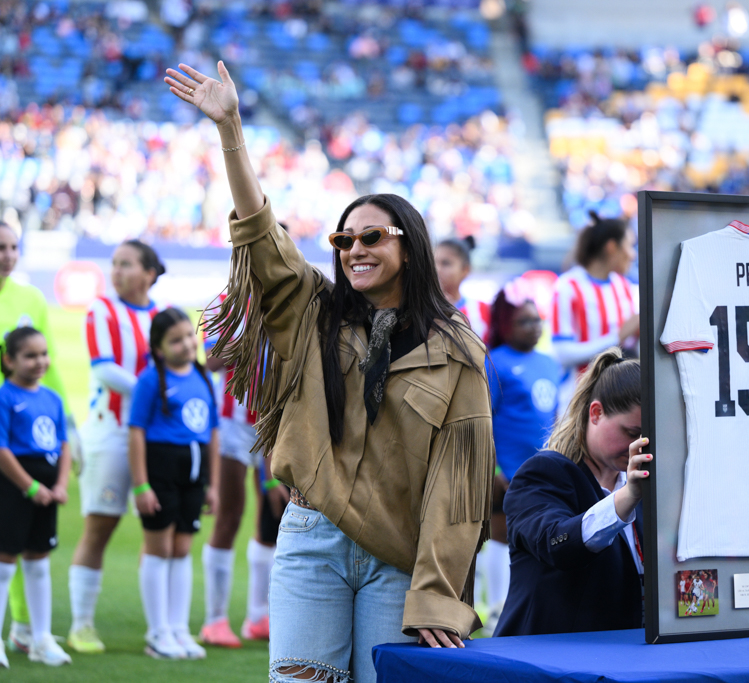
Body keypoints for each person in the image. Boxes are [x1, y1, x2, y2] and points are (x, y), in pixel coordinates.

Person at [167, 60, 494, 682]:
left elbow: (459, 486)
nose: (356, 250)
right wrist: (231, 129)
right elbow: (263, 239)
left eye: (373, 237)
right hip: (311, 540)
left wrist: (437, 591)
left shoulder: (457, 351)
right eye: (344, 242)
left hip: (398, 556)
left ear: (410, 245)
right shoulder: (313, 311)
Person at [495, 348, 647, 637]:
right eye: (631, 432)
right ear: (596, 413)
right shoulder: (542, 472)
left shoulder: (640, 487)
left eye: (647, 435)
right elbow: (556, 543)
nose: (638, 446)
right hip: (543, 664)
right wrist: (626, 499)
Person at [68, 240, 166, 653]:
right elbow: (105, 369)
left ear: (148, 272)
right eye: (114, 264)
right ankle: (81, 624)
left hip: (152, 435)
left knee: (159, 530)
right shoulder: (102, 309)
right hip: (110, 433)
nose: (117, 271)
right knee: (100, 526)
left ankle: (161, 627)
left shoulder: (162, 316)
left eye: (126, 264)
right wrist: (158, 392)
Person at [128, 308, 220, 659]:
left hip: (194, 475)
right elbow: (135, 432)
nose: (185, 345)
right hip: (161, 470)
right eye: (175, 340)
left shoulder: (202, 377)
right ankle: (157, 633)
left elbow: (212, 433)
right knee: (159, 548)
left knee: (182, 549)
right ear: (159, 348)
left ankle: (179, 629)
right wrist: (141, 485)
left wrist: (211, 483)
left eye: (188, 336)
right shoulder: (151, 379)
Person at [0, 222, 72, 654]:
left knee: (25, 543)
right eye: (0, 247)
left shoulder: (30, 297)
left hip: (29, 433)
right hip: (6, 432)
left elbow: (52, 364)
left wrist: (67, 422)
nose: (7, 254)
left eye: (12, 246)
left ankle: (27, 630)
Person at [200, 294, 285, 648]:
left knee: (273, 513)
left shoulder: (293, 297)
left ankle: (258, 615)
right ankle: (214, 619)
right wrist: (248, 326)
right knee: (229, 515)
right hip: (232, 421)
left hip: (276, 420)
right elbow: (212, 361)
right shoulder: (222, 303)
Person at [479, 280, 561, 632]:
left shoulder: (549, 363)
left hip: (540, 469)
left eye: (537, 319)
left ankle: (527, 606)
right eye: (525, 321)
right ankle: (498, 610)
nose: (535, 326)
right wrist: (494, 467)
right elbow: (483, 417)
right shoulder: (494, 362)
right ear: (505, 325)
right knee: (503, 536)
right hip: (505, 471)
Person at [551, 213, 639, 407]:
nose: (633, 255)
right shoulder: (568, 286)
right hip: (578, 401)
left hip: (619, 399)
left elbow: (631, 342)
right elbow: (562, 353)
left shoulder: (623, 286)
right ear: (611, 247)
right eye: (629, 246)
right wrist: (617, 337)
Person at [435, 237, 490, 342]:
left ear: (465, 270)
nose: (437, 269)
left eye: (446, 263)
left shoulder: (481, 310)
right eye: (433, 262)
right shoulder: (418, 307)